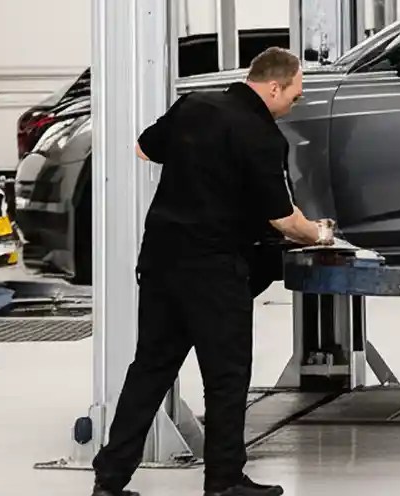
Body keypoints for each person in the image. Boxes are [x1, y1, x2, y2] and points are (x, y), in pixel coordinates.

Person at [92, 47, 334, 496]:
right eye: (293, 97)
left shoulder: (194, 106)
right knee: (225, 377)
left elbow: (145, 148)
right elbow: (283, 220)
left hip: (163, 261)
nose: (292, 107)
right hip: (214, 271)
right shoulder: (262, 136)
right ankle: (223, 482)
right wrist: (320, 235)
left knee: (150, 369)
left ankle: (109, 480)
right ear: (273, 86)